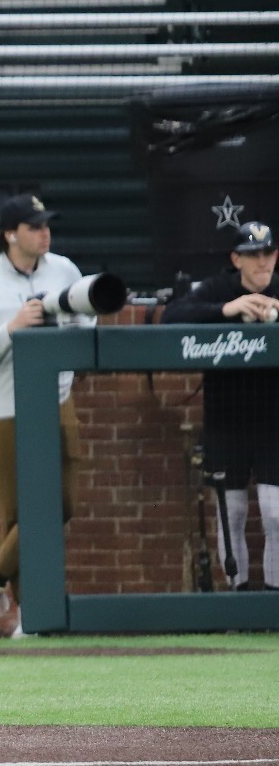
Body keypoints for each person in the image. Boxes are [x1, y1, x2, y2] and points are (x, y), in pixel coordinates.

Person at [0, 193, 90, 641]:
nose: (44, 233)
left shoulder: (64, 270)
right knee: (19, 512)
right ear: (10, 234)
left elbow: (86, 327)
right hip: (3, 408)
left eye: (46, 224)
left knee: (62, 502)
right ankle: (31, 616)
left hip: (56, 398)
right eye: (34, 226)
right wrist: (12, 328)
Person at [161, 221, 279, 591]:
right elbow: (171, 317)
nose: (262, 263)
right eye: (252, 255)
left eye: (268, 254)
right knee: (233, 514)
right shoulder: (219, 289)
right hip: (226, 416)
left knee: (276, 514)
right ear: (236, 259)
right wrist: (228, 309)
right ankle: (237, 598)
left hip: (273, 420)